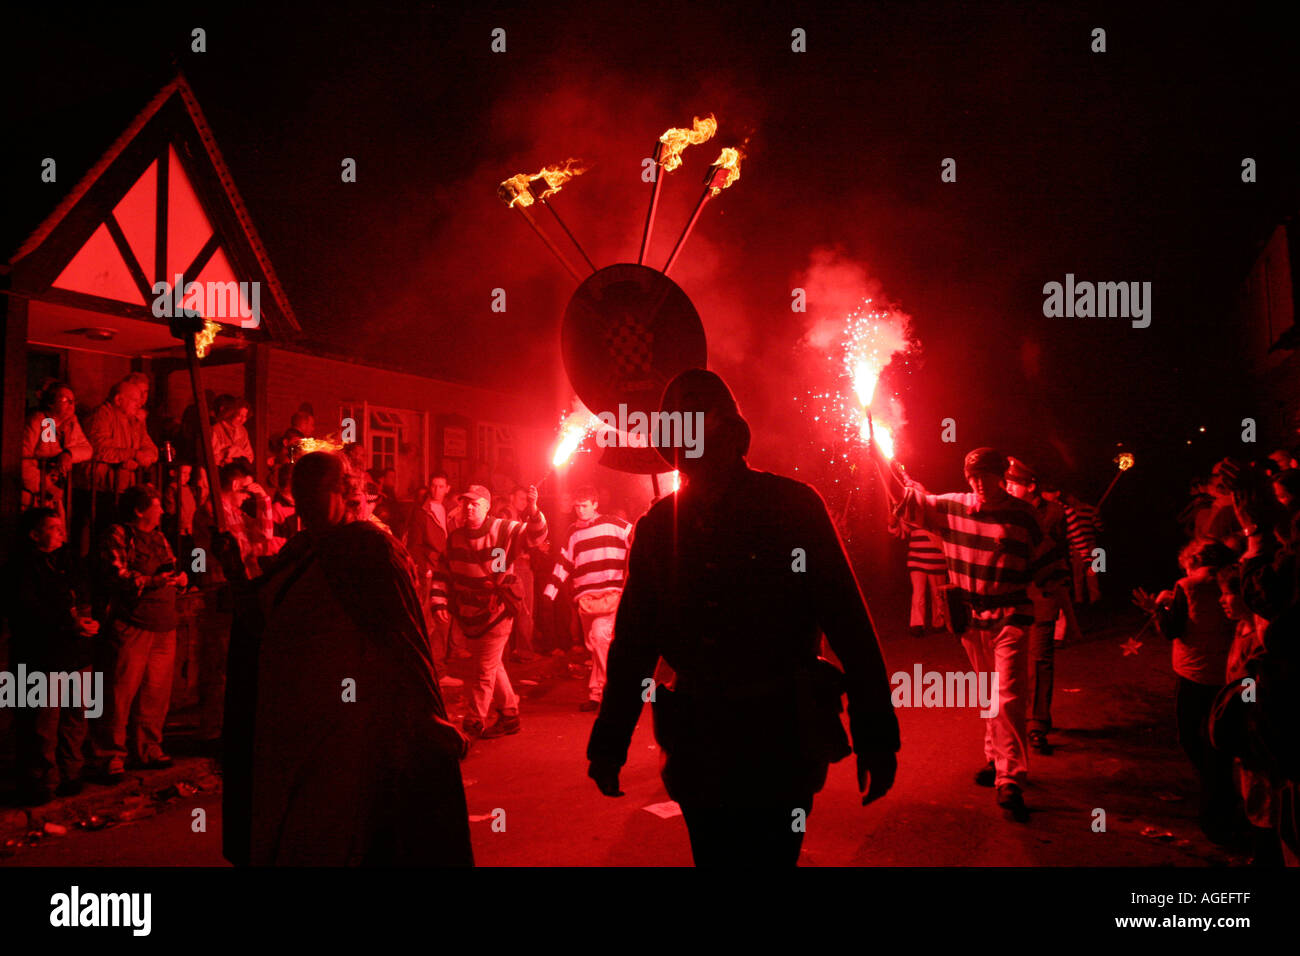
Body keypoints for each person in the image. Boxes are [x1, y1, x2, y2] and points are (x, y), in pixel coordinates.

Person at [588, 370, 899, 866]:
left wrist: (876, 735)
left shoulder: (793, 507)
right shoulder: (657, 526)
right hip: (698, 741)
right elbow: (633, 645)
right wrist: (609, 740)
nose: (695, 446)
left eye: (702, 430)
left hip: (779, 734)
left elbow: (849, 625)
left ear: (733, 436)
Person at [228, 451, 473, 865]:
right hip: (296, 726)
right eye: (298, 492)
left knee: (354, 835)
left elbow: (401, 637)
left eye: (314, 491)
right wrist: (233, 570)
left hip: (353, 728)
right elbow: (258, 618)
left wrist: (429, 715)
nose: (304, 503)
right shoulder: (300, 551)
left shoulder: (370, 550)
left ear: (343, 490)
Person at [897, 447, 1051, 823]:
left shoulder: (1023, 514)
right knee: (987, 691)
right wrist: (880, 460)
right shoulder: (951, 507)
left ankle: (1010, 776)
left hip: (1012, 613)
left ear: (1002, 476)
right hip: (969, 615)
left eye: (988, 475)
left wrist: (1063, 605)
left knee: (1008, 692)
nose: (981, 483)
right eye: (974, 476)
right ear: (967, 478)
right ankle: (994, 756)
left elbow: (1046, 560)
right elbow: (906, 500)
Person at [1132, 540, 1239, 844]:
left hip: (1193, 672)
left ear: (1192, 560)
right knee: (1219, 738)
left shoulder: (1187, 586)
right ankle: (1223, 796)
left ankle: (1215, 800)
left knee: (1191, 736)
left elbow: (1172, 630)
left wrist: (1157, 608)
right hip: (1227, 673)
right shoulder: (1231, 581)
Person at [431, 483, 547, 743]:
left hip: (497, 612)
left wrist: (534, 510)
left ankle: (474, 722)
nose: (469, 508)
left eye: (475, 503)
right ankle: (509, 715)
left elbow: (536, 537)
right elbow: (442, 572)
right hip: (469, 615)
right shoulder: (456, 538)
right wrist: (438, 601)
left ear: (486, 507)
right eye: (465, 503)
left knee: (483, 669)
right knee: (491, 666)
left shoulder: (504, 529)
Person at [3, 509, 100, 804]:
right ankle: (40, 782)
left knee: (76, 717)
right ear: (34, 535)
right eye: (53, 527)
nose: (61, 532)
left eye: (61, 526)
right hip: (43, 656)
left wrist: (88, 621)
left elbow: (84, 595)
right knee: (42, 726)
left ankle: (71, 774)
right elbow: (27, 610)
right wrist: (66, 623)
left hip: (76, 653)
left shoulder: (69, 562)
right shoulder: (21, 569)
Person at [92, 485, 185, 782]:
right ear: (139, 510)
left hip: (163, 625)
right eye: (157, 506)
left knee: (154, 693)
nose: (163, 511)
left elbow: (170, 567)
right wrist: (152, 580)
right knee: (120, 693)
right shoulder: (118, 535)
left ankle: (148, 749)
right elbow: (116, 574)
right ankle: (110, 756)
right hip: (132, 625)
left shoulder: (159, 537)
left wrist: (179, 579)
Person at [1006, 463, 1079, 756]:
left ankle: (1037, 724)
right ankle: (1016, 719)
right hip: (1014, 595)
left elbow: (1057, 554)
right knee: (1013, 661)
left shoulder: (1054, 513)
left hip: (1043, 593)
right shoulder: (1008, 510)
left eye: (1013, 483)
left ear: (1031, 485)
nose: (1008, 488)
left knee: (1039, 659)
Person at [543, 486, 633, 711]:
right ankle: (597, 693)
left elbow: (638, 538)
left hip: (613, 594)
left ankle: (608, 692)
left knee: (599, 637)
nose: (580, 510)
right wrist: (549, 592)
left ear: (595, 505)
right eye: (577, 506)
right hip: (586, 599)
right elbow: (565, 562)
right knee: (594, 645)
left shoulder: (615, 524)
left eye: (584, 505)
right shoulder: (573, 532)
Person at [22, 381, 92, 512]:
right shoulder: (40, 421)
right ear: (51, 402)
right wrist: (46, 486)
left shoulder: (71, 423)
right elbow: (24, 459)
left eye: (73, 401)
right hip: (35, 494)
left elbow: (87, 449)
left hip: (54, 493)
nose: (71, 405)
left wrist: (68, 454)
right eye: (65, 400)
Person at [86, 378, 158, 494]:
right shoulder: (101, 416)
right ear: (118, 400)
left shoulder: (134, 421)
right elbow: (99, 449)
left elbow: (151, 449)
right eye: (135, 400)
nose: (139, 404)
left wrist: (141, 458)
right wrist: (133, 454)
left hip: (124, 487)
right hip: (99, 489)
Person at [887, 511, 947, 637]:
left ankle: (939, 622)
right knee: (918, 594)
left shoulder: (937, 514)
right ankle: (917, 625)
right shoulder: (911, 515)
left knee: (937, 594)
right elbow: (901, 533)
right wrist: (892, 525)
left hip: (936, 559)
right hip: (916, 560)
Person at [211, 395, 255, 469]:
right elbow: (213, 457)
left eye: (245, 416)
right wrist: (226, 454)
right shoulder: (216, 429)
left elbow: (250, 456)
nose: (242, 420)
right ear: (231, 413)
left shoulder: (242, 431)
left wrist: (236, 459)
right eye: (239, 415)